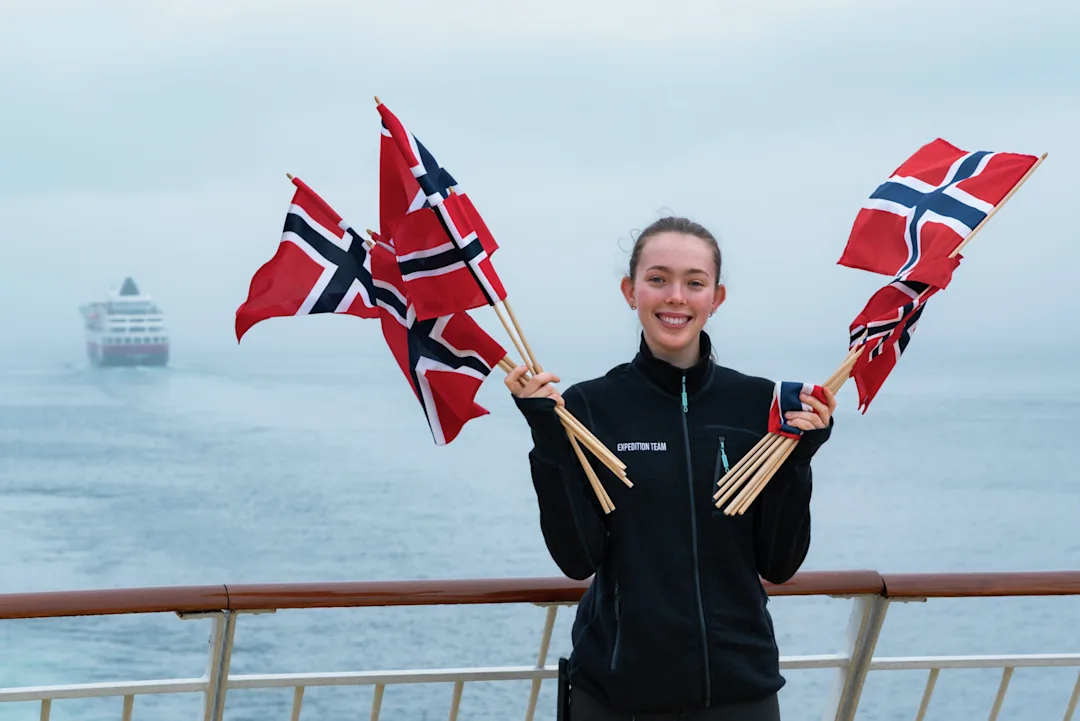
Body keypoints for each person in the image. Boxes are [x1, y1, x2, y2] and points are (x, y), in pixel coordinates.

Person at [505, 216, 836, 720]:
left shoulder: (760, 407)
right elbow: (577, 559)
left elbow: (779, 562)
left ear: (716, 298)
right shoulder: (589, 408)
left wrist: (798, 460)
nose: (675, 296)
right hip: (618, 697)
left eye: (694, 283)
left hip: (740, 694)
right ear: (629, 291)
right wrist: (549, 444)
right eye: (657, 279)